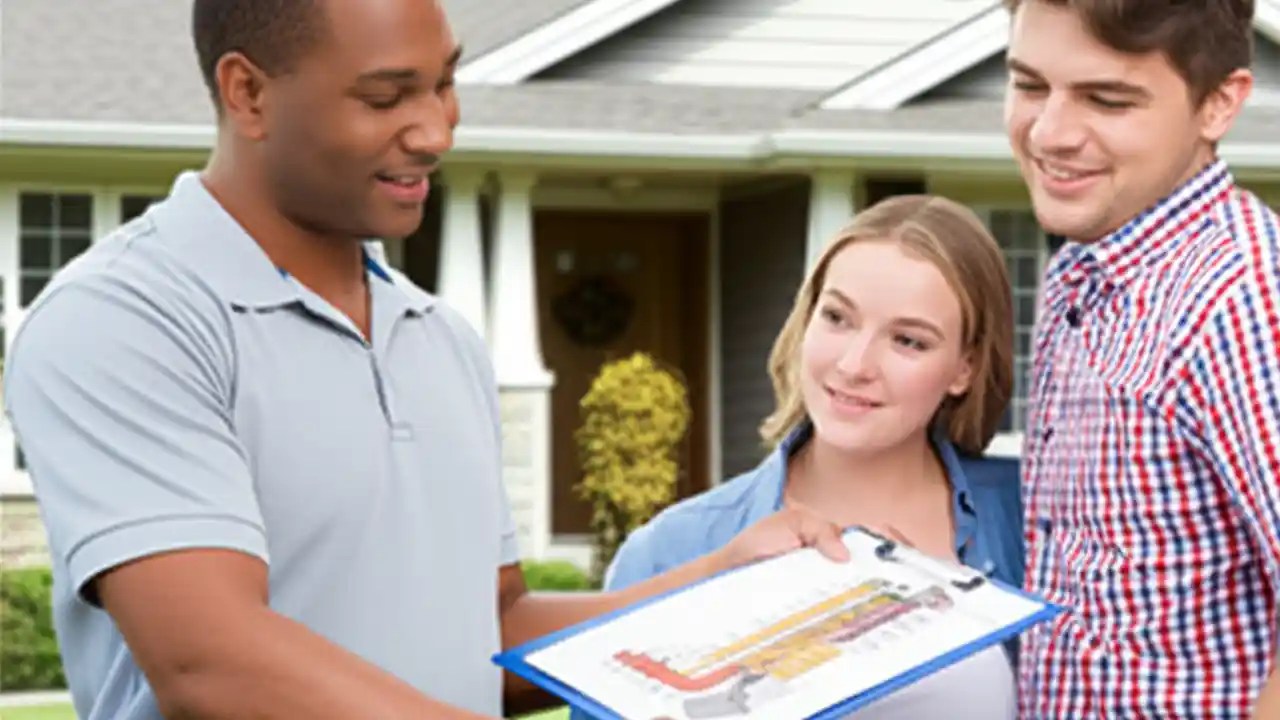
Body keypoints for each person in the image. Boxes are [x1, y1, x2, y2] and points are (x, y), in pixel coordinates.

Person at [0, 2, 850, 719]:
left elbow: (495, 626)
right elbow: (211, 661)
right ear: (247, 92)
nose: (437, 129)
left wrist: (713, 586)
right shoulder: (126, 320)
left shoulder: (441, 338)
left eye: (444, 82)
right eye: (384, 97)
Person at [574, 194, 1024, 719]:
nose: (855, 364)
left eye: (907, 340)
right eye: (837, 317)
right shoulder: (671, 551)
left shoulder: (1039, 525)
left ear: (964, 368)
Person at [1002, 0, 1280, 716]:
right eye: (1031, 85)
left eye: (1107, 99)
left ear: (1219, 103)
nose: (1051, 131)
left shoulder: (1239, 297)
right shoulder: (1084, 270)